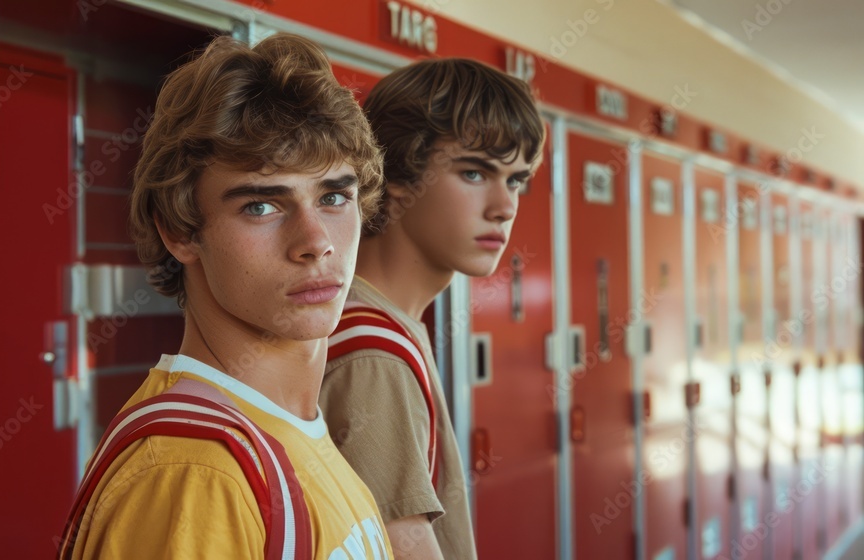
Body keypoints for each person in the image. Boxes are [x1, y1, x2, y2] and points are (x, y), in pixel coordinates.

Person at [58, 33, 393, 559]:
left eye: (333, 196)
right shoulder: (196, 475)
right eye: (261, 206)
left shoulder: (278, 430)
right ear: (179, 231)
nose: (316, 242)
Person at [319, 58, 545, 559]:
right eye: (474, 172)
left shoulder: (386, 324)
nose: (504, 206)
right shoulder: (373, 354)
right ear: (397, 173)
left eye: (515, 180)